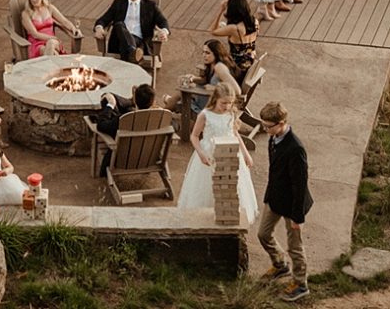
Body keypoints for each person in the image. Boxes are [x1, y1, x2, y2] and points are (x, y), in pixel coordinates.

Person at [178, 76, 256, 217]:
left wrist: (246, 154)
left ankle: (228, 214)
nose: (226, 106)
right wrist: (201, 153)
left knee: (231, 185)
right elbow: (194, 136)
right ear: (215, 99)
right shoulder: (205, 115)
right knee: (207, 186)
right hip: (209, 152)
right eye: (223, 103)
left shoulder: (231, 113)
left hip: (230, 153)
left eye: (229, 103)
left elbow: (235, 134)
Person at [258, 102, 313, 300]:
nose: (265, 130)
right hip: (275, 197)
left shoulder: (295, 148)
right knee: (263, 234)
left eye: (268, 126)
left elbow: (300, 184)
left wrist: (297, 217)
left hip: (292, 205)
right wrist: (269, 195)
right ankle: (280, 264)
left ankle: (301, 283)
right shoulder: (273, 138)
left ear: (281, 123)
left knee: (295, 246)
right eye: (263, 125)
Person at [93, 0, 168, 66]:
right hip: (120, 40)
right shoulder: (118, 4)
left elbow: (163, 21)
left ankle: (130, 55)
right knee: (119, 25)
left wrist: (164, 32)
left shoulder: (150, 6)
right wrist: (99, 28)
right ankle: (133, 53)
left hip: (140, 42)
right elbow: (103, 19)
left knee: (124, 48)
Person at [91, 81, 159, 175]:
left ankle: (114, 100)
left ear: (136, 100)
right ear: (152, 102)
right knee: (123, 106)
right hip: (147, 158)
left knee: (109, 100)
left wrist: (110, 105)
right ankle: (124, 101)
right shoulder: (159, 119)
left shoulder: (124, 120)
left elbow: (101, 126)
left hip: (122, 160)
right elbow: (175, 126)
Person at [17, 0, 82, 58]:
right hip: (37, 44)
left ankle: (48, 67)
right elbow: (35, 34)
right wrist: (52, 38)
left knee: (50, 45)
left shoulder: (50, 8)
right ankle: (56, 65)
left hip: (53, 42)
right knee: (51, 51)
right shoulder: (26, 14)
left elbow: (64, 21)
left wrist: (74, 28)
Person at [209, 0, 259, 79]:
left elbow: (212, 31)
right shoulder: (255, 21)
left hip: (237, 67)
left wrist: (221, 10)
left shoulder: (234, 28)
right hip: (250, 63)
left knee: (212, 56)